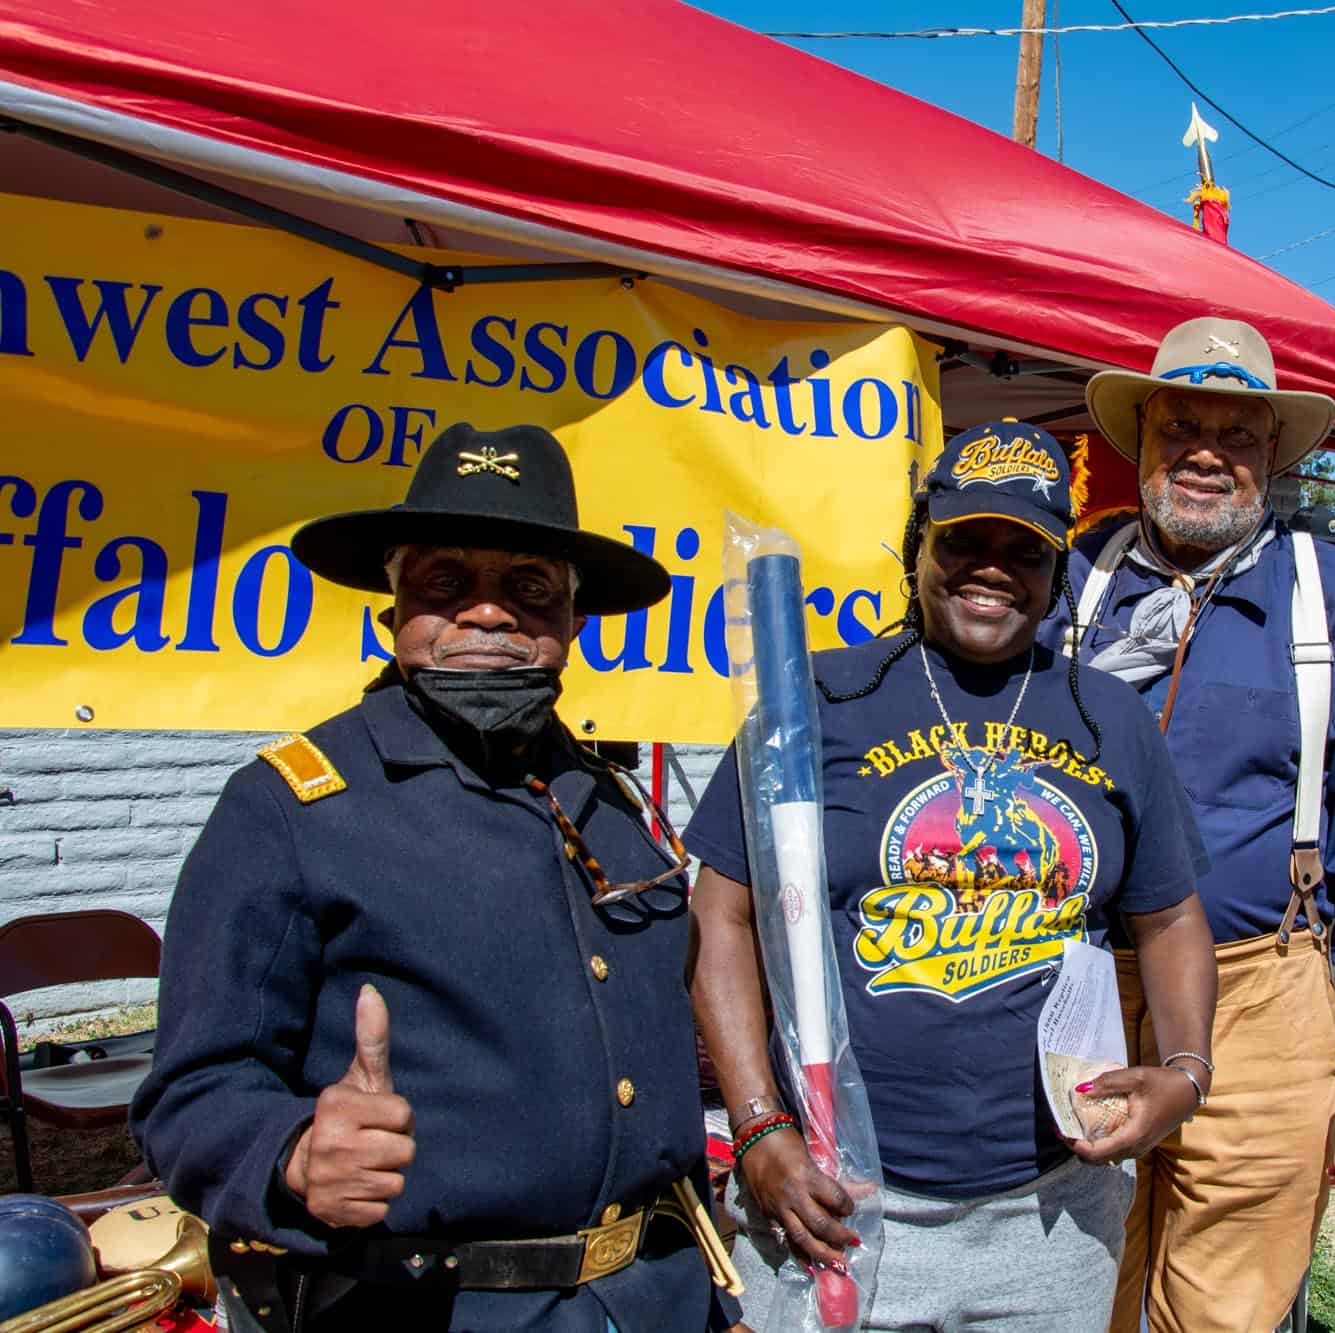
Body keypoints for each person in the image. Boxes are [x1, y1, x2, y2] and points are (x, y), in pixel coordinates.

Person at [131, 424, 739, 1332]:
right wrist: (292, 1152)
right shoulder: (288, 810)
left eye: (529, 587)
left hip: (654, 1301)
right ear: (394, 606)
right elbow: (190, 1092)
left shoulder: (606, 802)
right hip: (430, 1308)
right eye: (446, 581)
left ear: (574, 618)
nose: (488, 613)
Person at [685, 422, 1218, 1332]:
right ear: (918, 544)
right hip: (832, 1194)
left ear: (1058, 574)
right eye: (964, 538)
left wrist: (1187, 1071)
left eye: (1026, 549)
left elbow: (1170, 921)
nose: (992, 566)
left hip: (1050, 1217)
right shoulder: (812, 698)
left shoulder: (1112, 718)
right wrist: (760, 1126)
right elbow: (723, 918)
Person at [1052, 317, 1335, 1332]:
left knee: (1225, 1307)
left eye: (1238, 434)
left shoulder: (1331, 594)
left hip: (1262, 990)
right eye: (1182, 426)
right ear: (1142, 439)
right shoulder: (1071, 582)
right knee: (1071, 1284)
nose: (1208, 454)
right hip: (1077, 988)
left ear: (1272, 455)